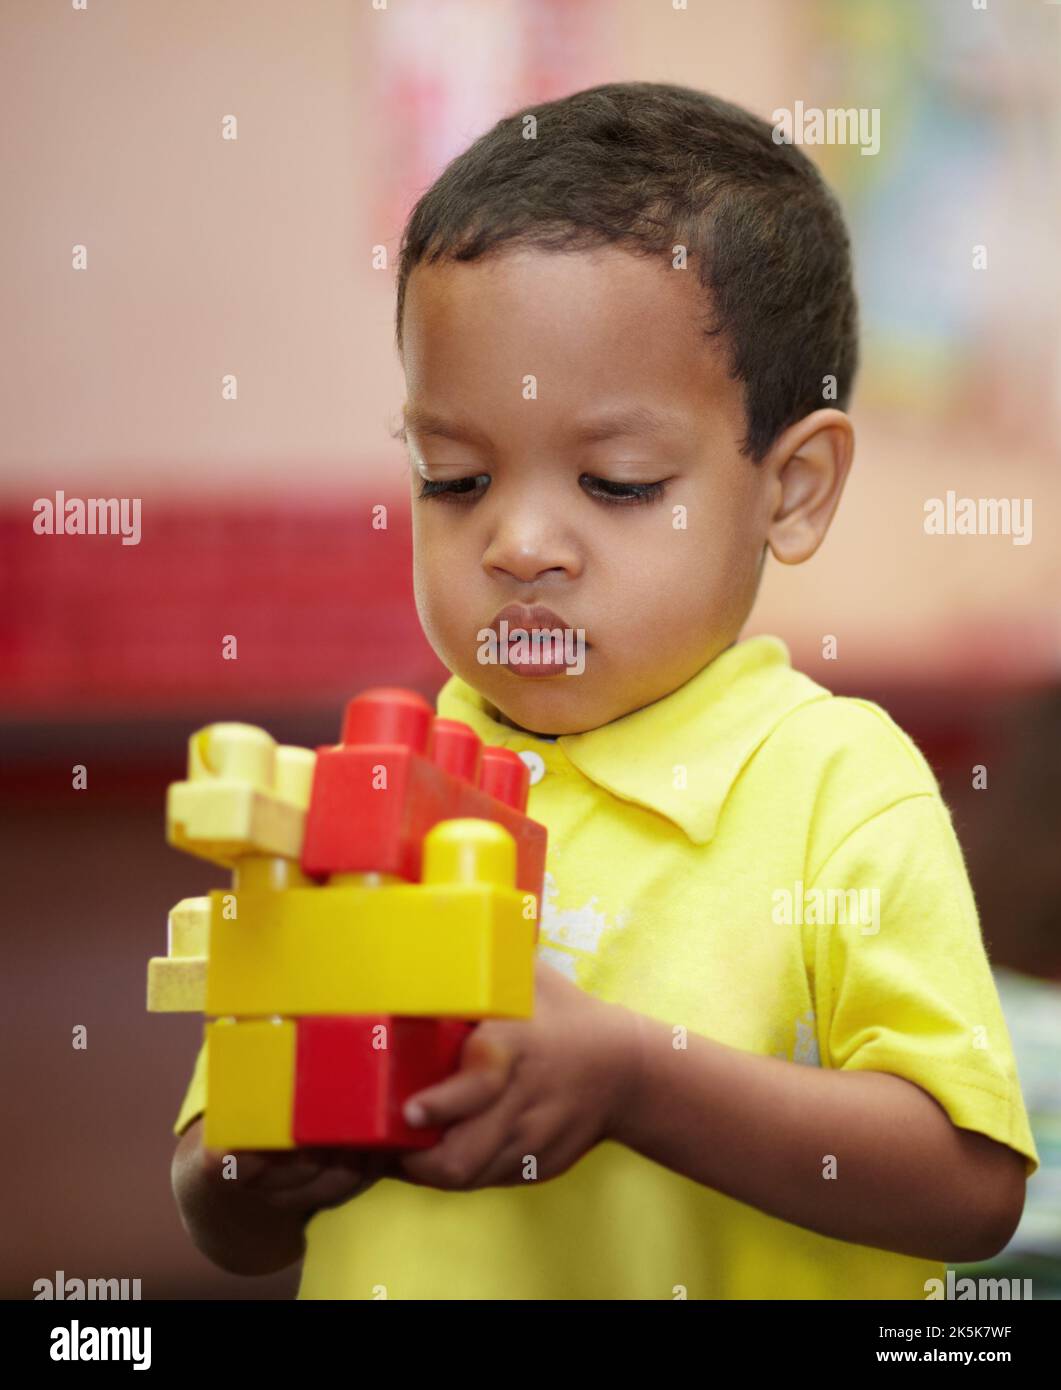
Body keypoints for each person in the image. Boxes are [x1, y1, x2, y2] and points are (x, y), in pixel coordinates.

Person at [172, 82, 1038, 1299]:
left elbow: (970, 1186)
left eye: (617, 482)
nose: (518, 543)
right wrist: (254, 1168)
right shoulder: (357, 808)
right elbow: (225, 1213)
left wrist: (639, 1079)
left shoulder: (837, 789)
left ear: (789, 491)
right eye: (456, 478)